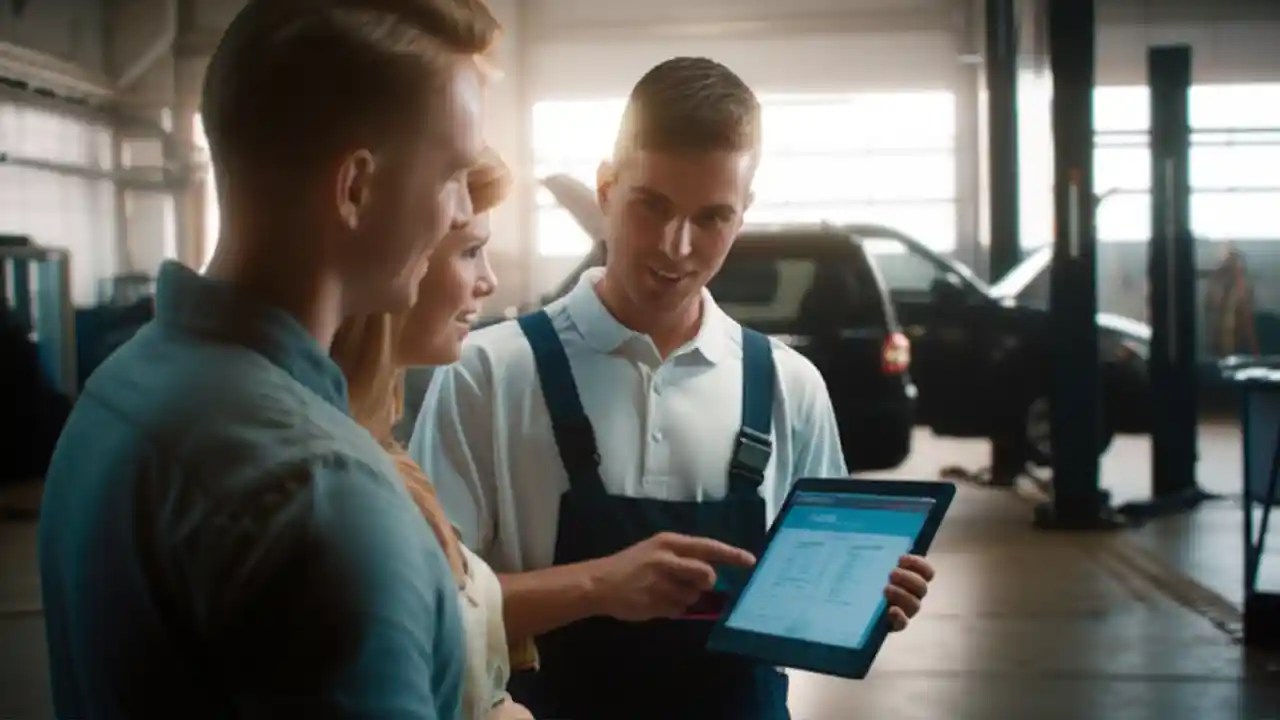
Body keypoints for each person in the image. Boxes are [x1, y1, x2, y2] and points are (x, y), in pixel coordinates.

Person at [410, 56, 936, 720]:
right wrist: (597, 586)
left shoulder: (790, 388)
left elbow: (811, 606)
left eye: (711, 217)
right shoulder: (488, 373)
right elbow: (427, 609)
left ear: (742, 215)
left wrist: (863, 602)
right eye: (652, 206)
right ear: (606, 189)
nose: (676, 247)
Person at [37, 1, 497, 716]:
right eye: (453, 174)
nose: (461, 210)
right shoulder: (326, 499)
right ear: (356, 188)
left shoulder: (122, 388)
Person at [331, 149, 533, 720]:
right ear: (401, 261)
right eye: (469, 252)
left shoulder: (383, 447)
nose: (489, 281)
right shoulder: (344, 482)